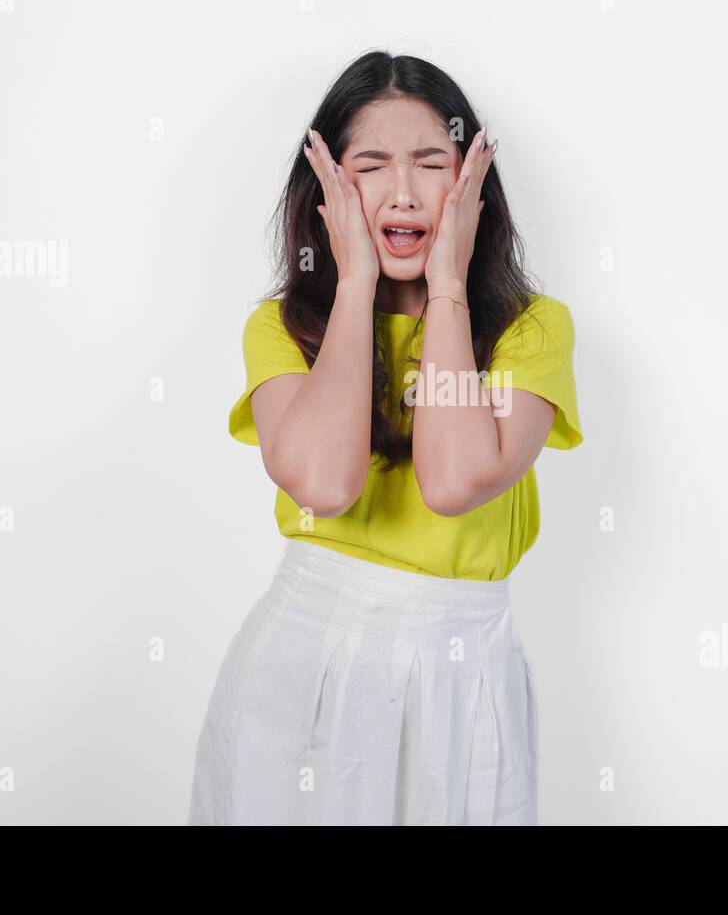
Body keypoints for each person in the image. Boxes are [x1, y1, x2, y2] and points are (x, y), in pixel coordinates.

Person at [188, 50, 583, 825]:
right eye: (370, 165)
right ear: (329, 190)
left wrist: (447, 289)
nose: (403, 191)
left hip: (462, 671)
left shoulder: (531, 331)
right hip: (303, 660)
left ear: (472, 185)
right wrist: (356, 284)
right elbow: (325, 485)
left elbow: (452, 480)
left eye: (432, 162)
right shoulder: (282, 330)